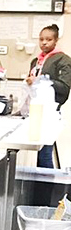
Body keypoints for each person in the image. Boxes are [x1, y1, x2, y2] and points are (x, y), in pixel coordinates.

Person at [26, 25, 71, 167]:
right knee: (37, 152)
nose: (44, 42)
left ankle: (46, 187)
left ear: (56, 40)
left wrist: (41, 80)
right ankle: (39, 185)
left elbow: (64, 87)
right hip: (34, 110)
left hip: (50, 112)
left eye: (49, 39)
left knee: (45, 154)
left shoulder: (63, 60)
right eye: (41, 39)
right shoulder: (36, 61)